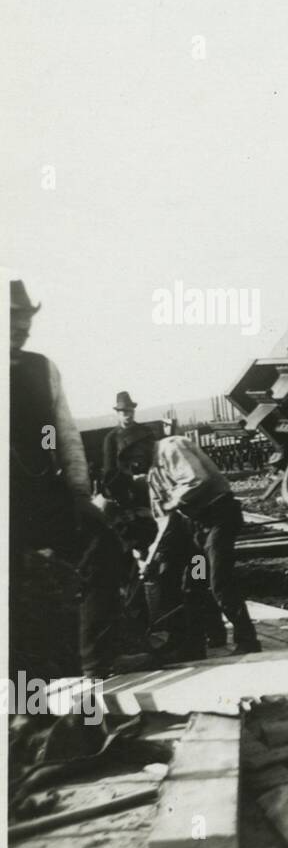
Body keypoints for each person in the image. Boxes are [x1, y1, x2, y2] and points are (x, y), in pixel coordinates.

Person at [9, 279, 127, 677]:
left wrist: (78, 493)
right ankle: (25, 699)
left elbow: (65, 434)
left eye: (26, 318)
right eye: (12, 316)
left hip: (43, 494)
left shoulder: (42, 368)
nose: (23, 326)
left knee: (106, 548)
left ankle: (94, 664)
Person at [145, 421, 261, 653]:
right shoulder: (152, 473)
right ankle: (214, 634)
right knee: (197, 581)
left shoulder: (171, 448)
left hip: (219, 519)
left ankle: (247, 639)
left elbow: (198, 479)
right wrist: (149, 559)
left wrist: (173, 501)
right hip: (197, 529)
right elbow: (162, 519)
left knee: (219, 581)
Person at [100, 391, 156, 503]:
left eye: (131, 411)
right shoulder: (111, 438)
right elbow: (110, 471)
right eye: (125, 412)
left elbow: (157, 457)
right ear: (118, 414)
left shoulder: (146, 432)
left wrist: (149, 474)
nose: (129, 415)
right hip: (127, 485)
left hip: (152, 479)